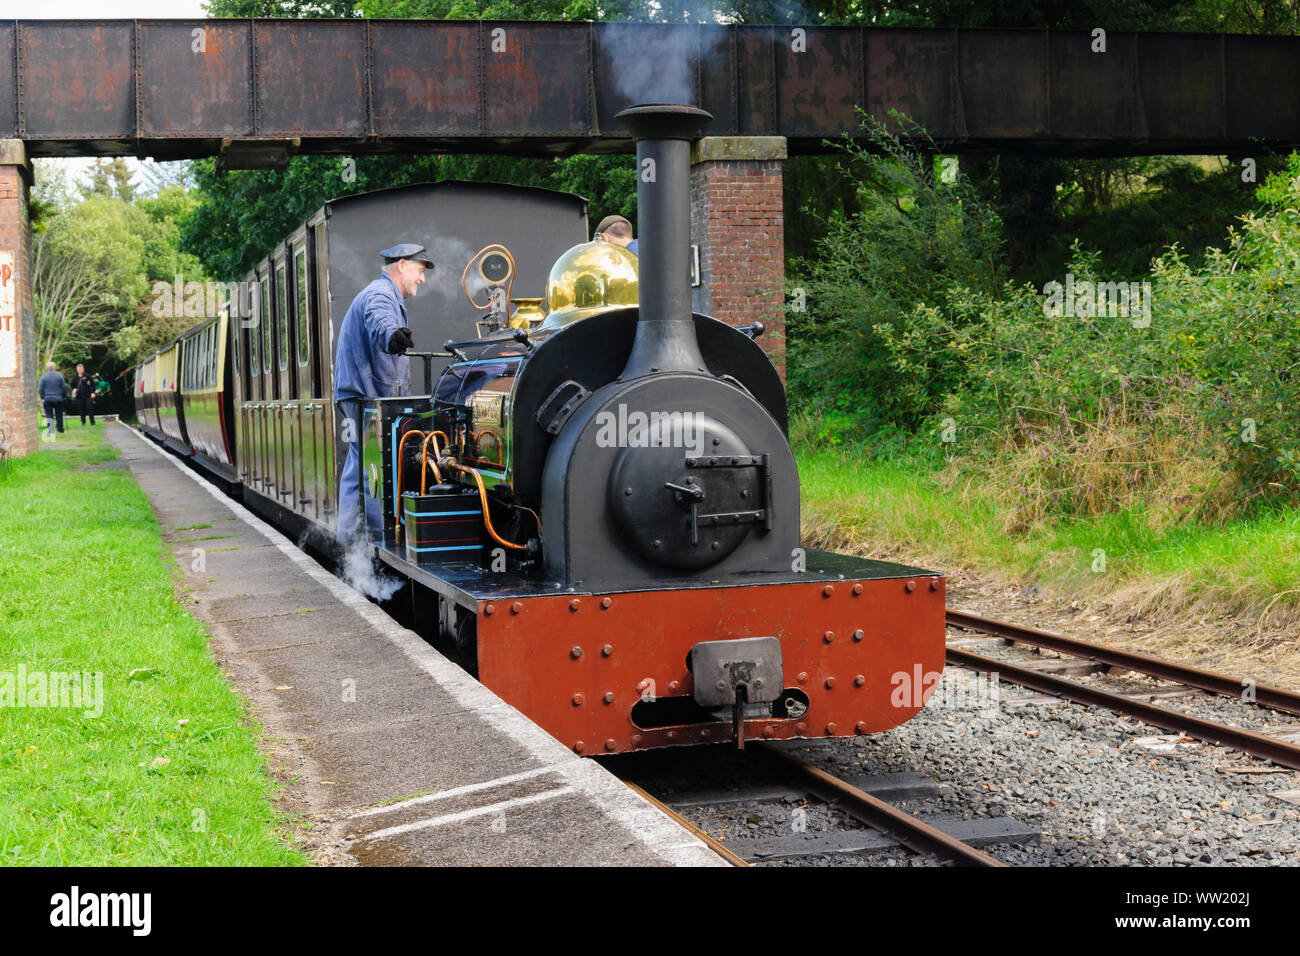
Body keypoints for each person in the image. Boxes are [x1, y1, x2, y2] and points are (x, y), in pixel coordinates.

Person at [334, 243, 434, 544]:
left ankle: (355, 543)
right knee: (370, 466)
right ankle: (373, 542)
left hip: (362, 394)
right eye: (419, 270)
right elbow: (380, 322)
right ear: (401, 265)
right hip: (363, 397)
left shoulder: (386, 295)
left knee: (361, 464)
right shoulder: (380, 294)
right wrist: (392, 335)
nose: (422, 279)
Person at [37, 361, 68, 440]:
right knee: (59, 414)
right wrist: (64, 396)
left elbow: (40, 388)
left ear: (46, 368)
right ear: (54, 367)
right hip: (58, 398)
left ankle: (51, 430)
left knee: (49, 414)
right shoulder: (59, 376)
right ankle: (60, 429)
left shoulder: (43, 377)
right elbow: (64, 387)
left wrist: (43, 397)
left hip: (47, 398)